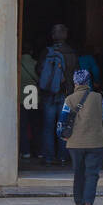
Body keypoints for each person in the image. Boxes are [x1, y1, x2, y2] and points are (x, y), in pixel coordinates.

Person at [58, 69, 103, 205]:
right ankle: (88, 203)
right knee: (92, 174)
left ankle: (79, 203)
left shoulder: (69, 99)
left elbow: (62, 120)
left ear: (75, 82)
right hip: (96, 142)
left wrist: (62, 136)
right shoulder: (98, 98)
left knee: (79, 173)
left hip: (75, 144)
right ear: (88, 82)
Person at [38, 27, 72, 163]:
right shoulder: (71, 53)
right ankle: (63, 157)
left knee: (47, 127)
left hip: (48, 94)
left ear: (52, 36)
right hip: (66, 94)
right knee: (63, 126)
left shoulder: (46, 52)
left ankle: (48, 158)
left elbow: (39, 70)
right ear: (66, 35)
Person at [19, 51, 38, 158]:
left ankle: (25, 151)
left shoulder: (17, 63)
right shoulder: (36, 63)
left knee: (23, 126)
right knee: (36, 125)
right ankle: (38, 151)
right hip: (35, 97)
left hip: (22, 98)